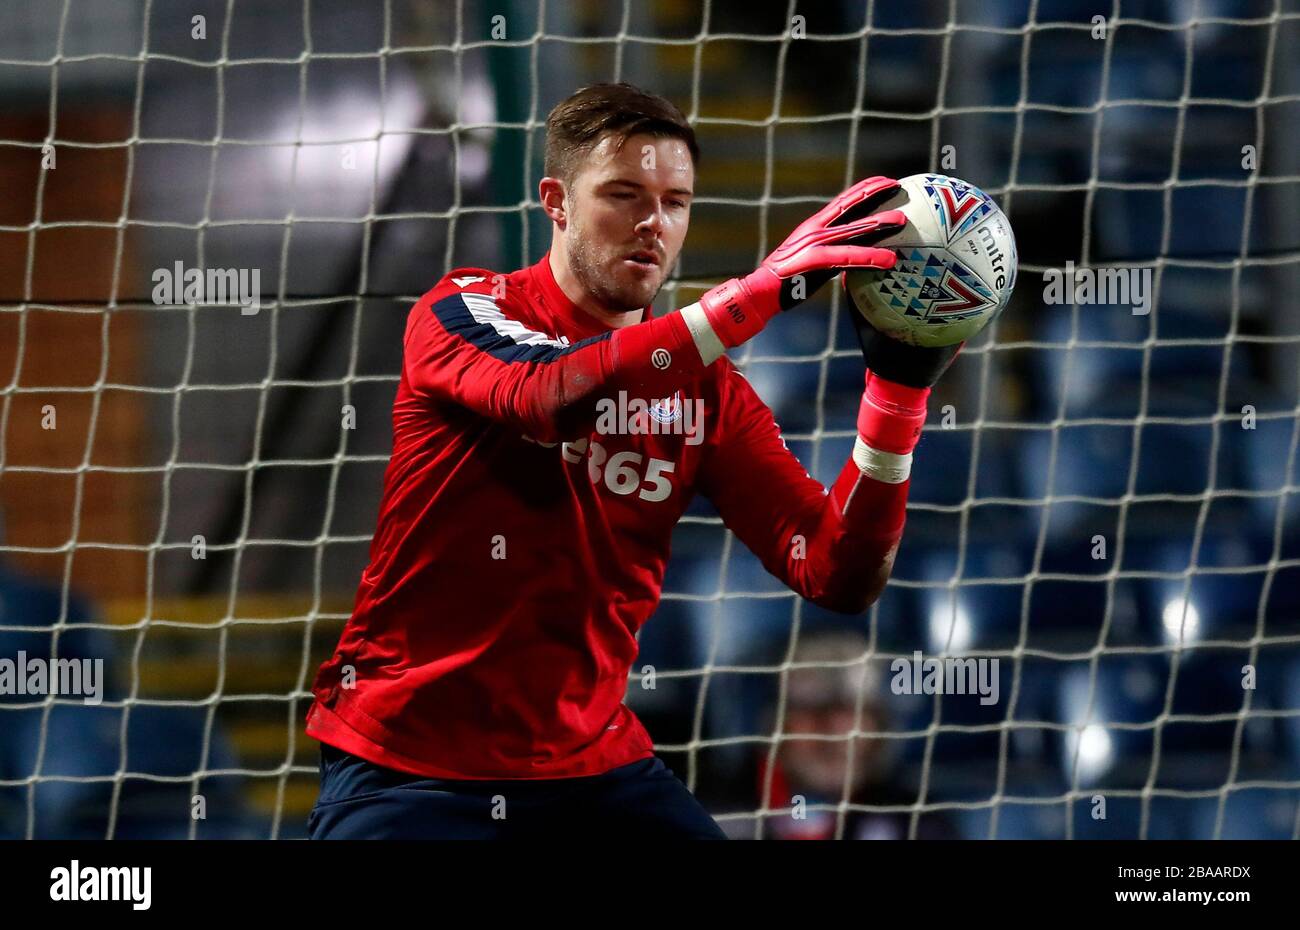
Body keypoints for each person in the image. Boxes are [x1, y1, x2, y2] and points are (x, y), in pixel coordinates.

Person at [305, 81, 962, 839]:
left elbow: (838, 572)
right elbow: (549, 396)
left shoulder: (705, 392)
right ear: (555, 201)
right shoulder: (463, 310)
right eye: (623, 194)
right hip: (412, 765)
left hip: (591, 771)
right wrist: (755, 296)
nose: (653, 223)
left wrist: (897, 399)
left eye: (675, 202)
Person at [753, 631, 959, 840]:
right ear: (774, 724)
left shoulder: (916, 823)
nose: (837, 729)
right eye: (815, 710)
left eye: (858, 711)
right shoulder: (730, 814)